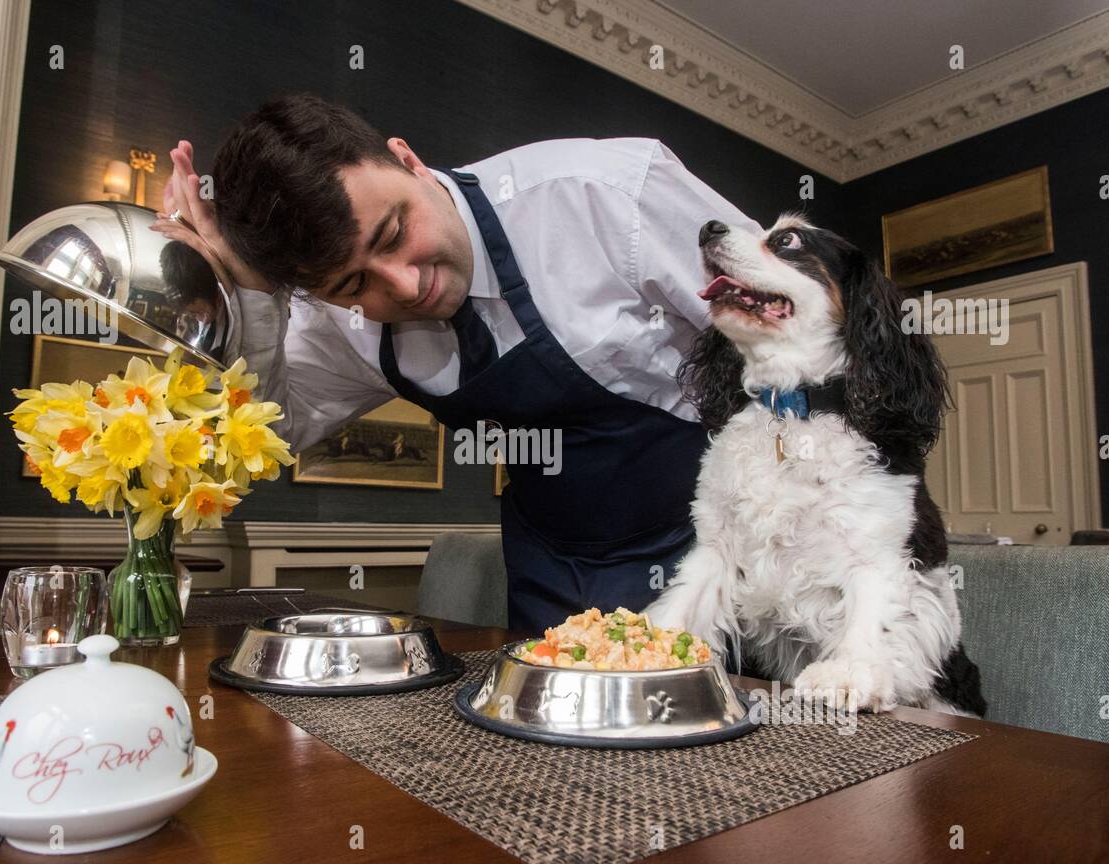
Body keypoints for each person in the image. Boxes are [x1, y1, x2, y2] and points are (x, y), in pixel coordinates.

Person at [154, 92, 761, 632]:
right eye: (353, 283)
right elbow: (272, 428)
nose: (405, 283)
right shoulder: (341, 325)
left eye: (393, 233)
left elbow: (797, 339)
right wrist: (249, 296)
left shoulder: (605, 194)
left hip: (715, 550)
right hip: (548, 568)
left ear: (407, 160)